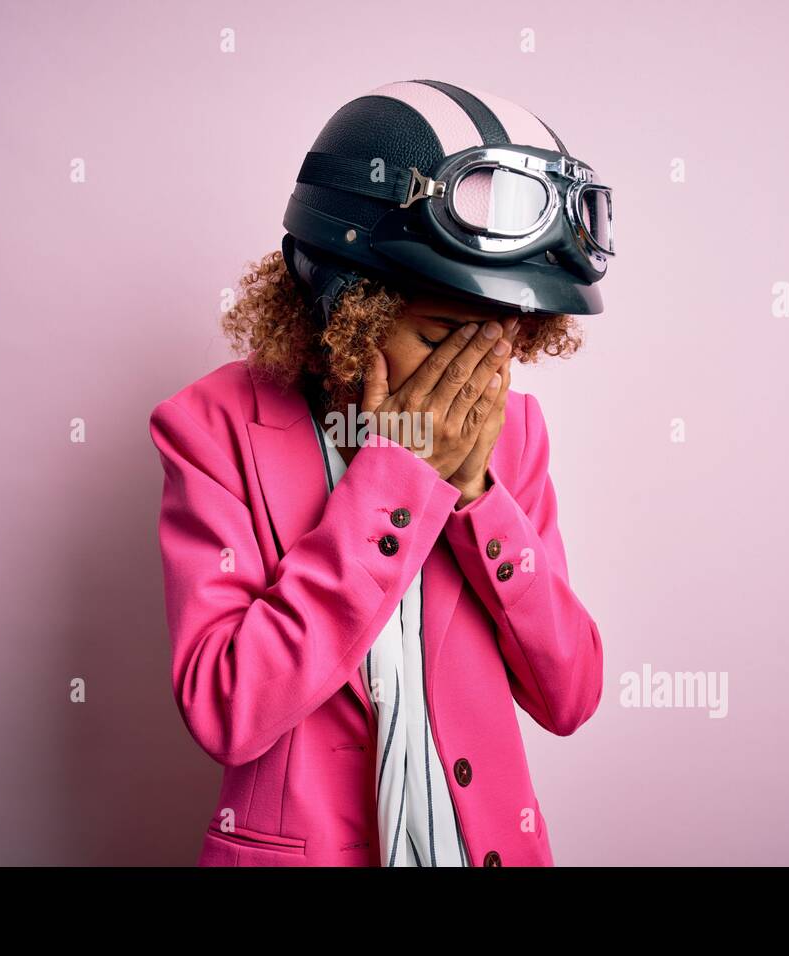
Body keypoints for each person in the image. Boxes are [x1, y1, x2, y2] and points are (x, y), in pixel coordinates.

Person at [148, 79, 614, 866]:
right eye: (440, 340)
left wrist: (476, 500)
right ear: (343, 306)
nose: (479, 378)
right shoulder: (211, 429)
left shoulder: (516, 435)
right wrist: (396, 484)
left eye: (501, 341)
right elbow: (228, 709)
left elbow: (569, 696)